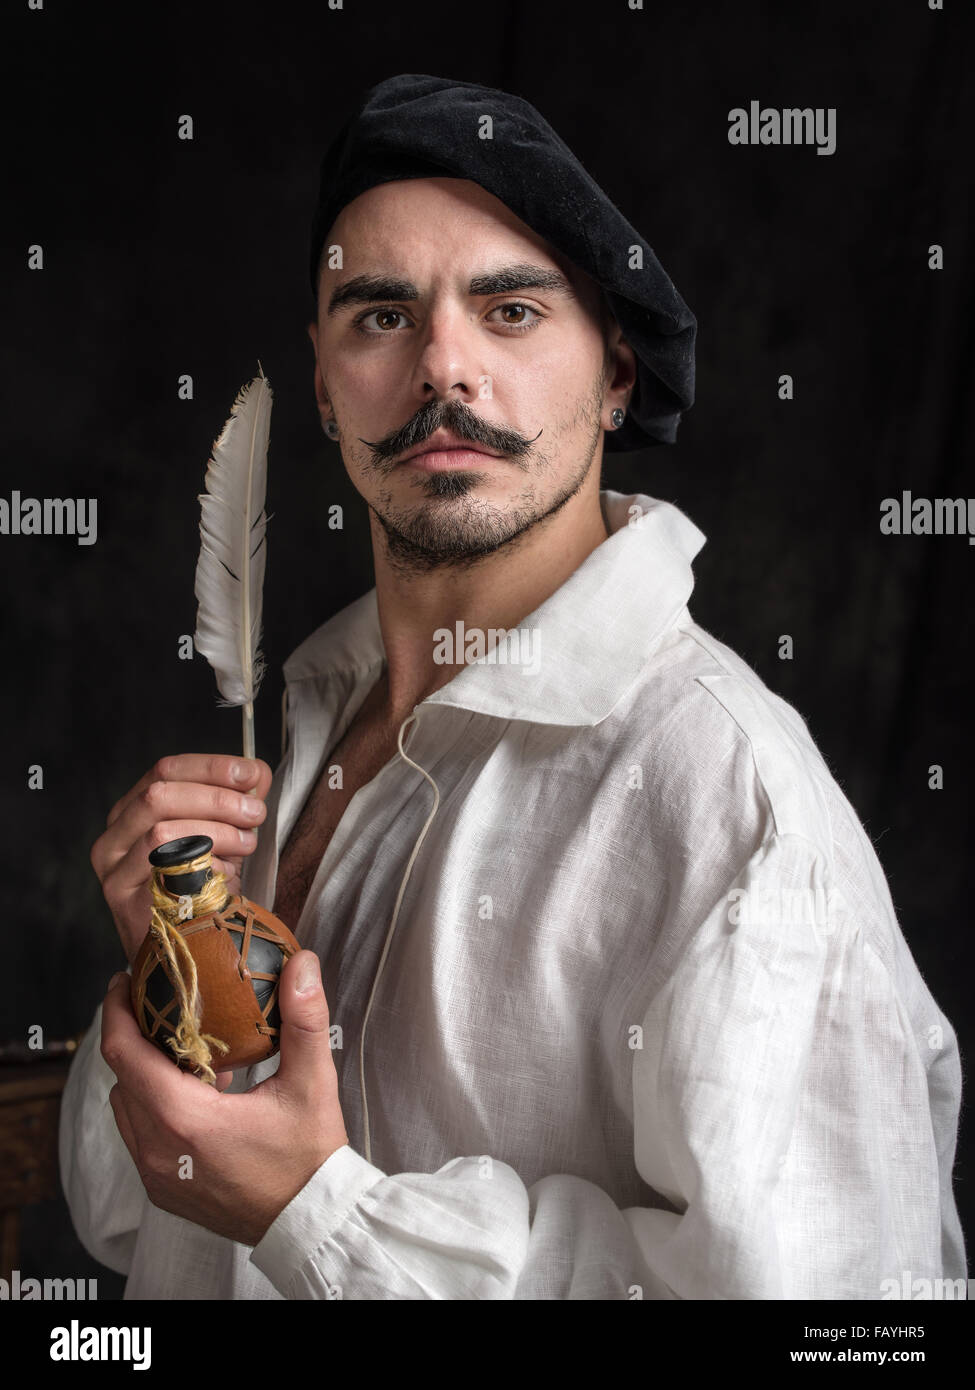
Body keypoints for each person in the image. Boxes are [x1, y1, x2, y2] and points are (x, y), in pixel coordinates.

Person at [61, 74, 965, 1300]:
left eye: (513, 310)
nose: (443, 364)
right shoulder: (287, 743)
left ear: (616, 379)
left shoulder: (733, 808)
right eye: (380, 315)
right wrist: (178, 997)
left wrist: (325, 1218)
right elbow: (136, 1230)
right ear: (323, 384)